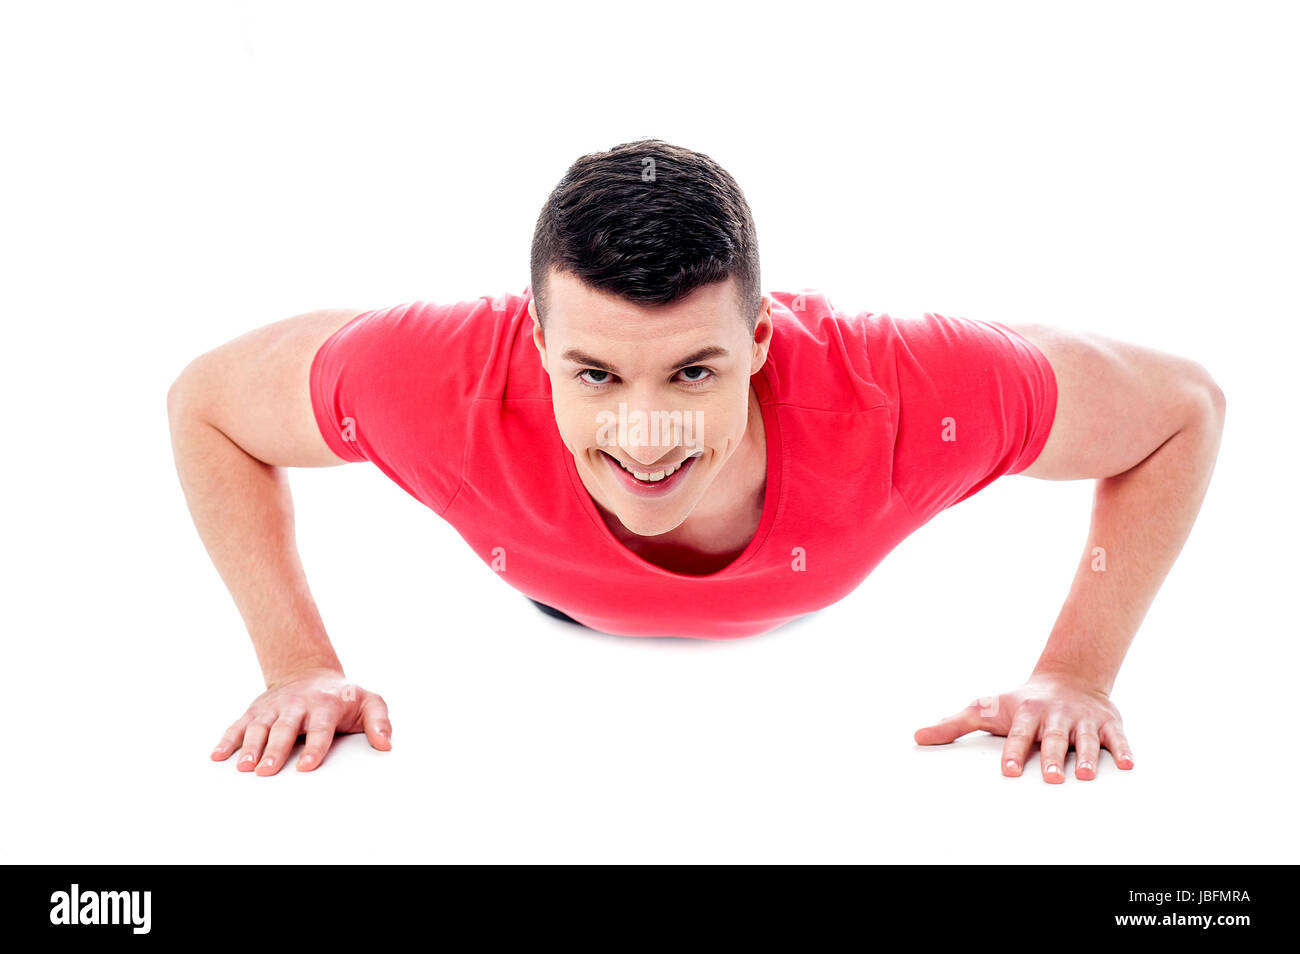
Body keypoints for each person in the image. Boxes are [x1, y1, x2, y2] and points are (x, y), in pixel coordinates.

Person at [167, 138, 1226, 784]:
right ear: (533, 349)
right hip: (550, 589)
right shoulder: (433, 383)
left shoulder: (905, 396)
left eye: (691, 374)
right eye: (592, 376)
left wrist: (1076, 671)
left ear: (759, 343)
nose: (644, 435)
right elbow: (207, 404)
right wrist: (296, 663)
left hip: (808, 577)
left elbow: (1182, 409)